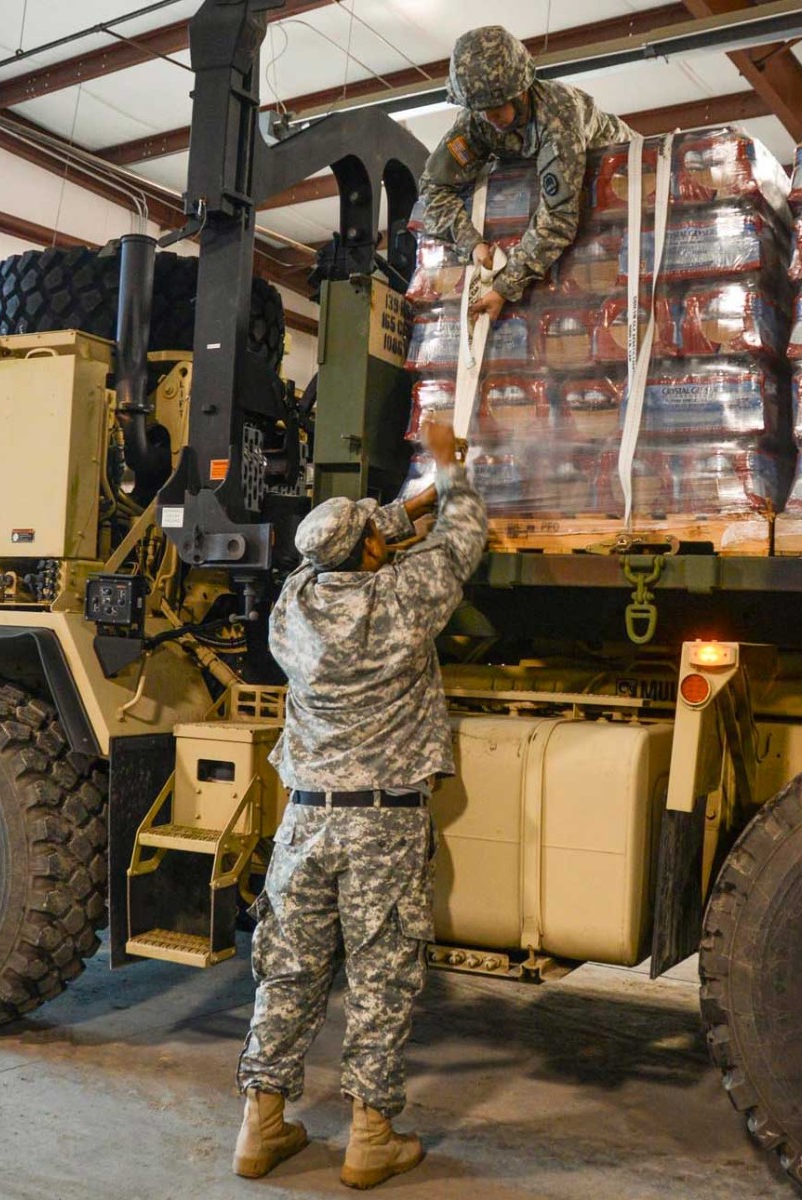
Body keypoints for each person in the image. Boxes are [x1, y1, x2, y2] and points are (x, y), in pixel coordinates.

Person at [233, 422, 488, 1190]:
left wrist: (378, 526)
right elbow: (464, 533)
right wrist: (449, 469)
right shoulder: (406, 600)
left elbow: (346, 545)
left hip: (305, 820)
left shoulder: (292, 610)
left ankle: (261, 1125)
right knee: (380, 974)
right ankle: (369, 1138)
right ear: (374, 556)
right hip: (381, 821)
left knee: (288, 970)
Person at [419, 25, 635, 322]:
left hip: (625, 180)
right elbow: (433, 187)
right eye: (478, 109)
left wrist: (506, 286)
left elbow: (559, 218)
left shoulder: (558, 116)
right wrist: (472, 244)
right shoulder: (478, 121)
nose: (487, 118)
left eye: (494, 107)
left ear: (520, 92)